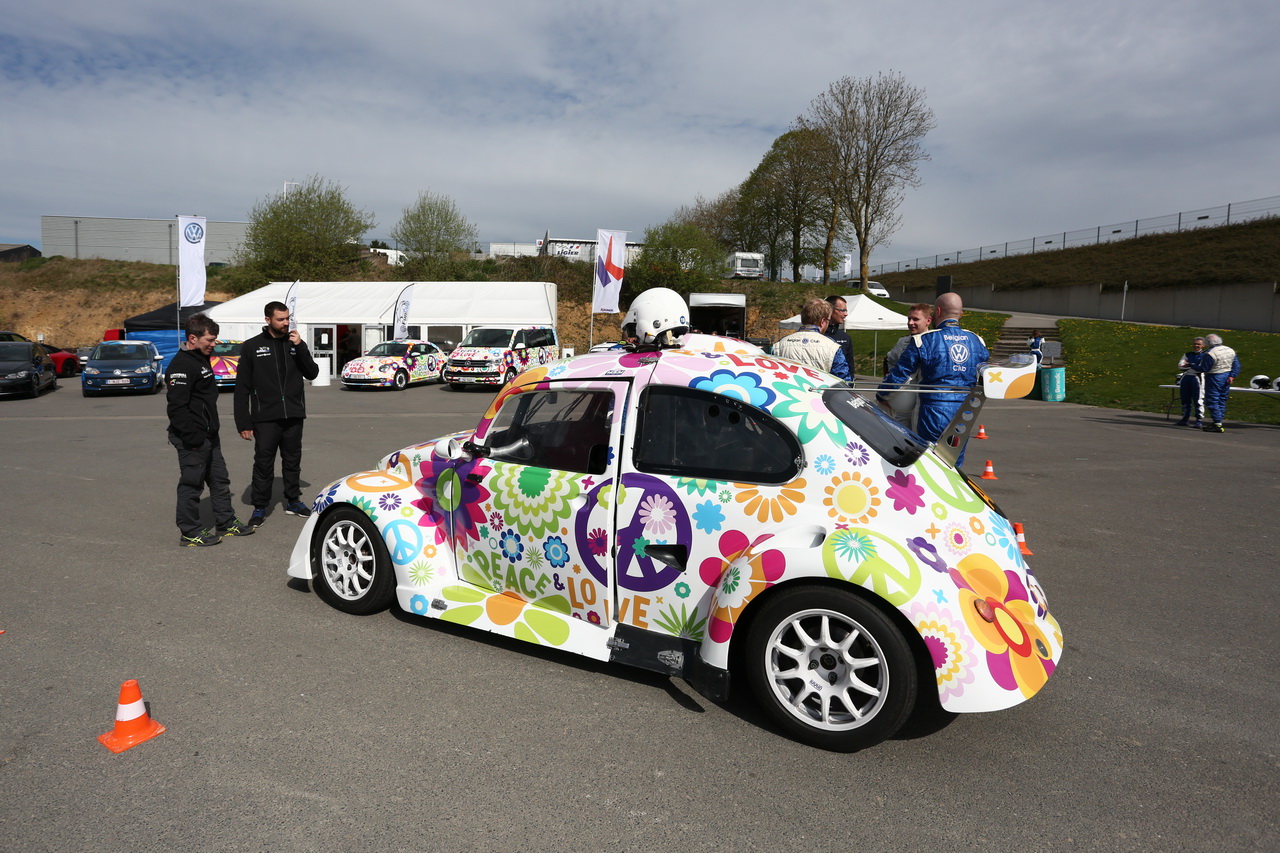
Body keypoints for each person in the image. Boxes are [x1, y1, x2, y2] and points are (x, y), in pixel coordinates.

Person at [166, 314, 254, 547]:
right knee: (192, 485)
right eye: (210, 340)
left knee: (219, 481)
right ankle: (190, 531)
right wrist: (193, 438)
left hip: (208, 436)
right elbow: (177, 408)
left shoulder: (201, 359)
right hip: (192, 439)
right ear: (193, 338)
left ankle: (226, 522)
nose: (214, 344)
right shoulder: (182, 365)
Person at [876, 292, 989, 466]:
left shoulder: (923, 340)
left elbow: (900, 375)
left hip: (932, 411)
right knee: (954, 462)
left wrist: (882, 396)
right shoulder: (977, 340)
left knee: (928, 462)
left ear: (937, 312)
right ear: (961, 313)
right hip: (965, 412)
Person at [235, 301, 321, 524]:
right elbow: (242, 387)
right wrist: (243, 422)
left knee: (292, 461)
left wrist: (300, 346)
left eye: (287, 318)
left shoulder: (294, 344)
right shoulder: (252, 346)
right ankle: (260, 507)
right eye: (280, 319)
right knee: (263, 463)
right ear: (268, 320)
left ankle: (293, 500)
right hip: (265, 417)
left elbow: (312, 373)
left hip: (293, 414)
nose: (285, 323)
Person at [880, 303, 934, 431]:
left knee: (920, 441)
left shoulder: (935, 343)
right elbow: (889, 362)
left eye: (915, 319)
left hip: (925, 403)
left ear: (928, 321)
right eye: (909, 319)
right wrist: (889, 390)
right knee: (900, 437)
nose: (910, 323)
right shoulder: (902, 342)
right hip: (902, 402)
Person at [773, 299, 852, 380]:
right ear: (822, 321)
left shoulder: (779, 345)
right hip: (819, 391)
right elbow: (843, 382)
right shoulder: (832, 347)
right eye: (828, 321)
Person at [1199, 333, 1240, 433]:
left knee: (1212, 399)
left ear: (1208, 342)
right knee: (1222, 399)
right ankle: (1218, 421)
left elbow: (1205, 368)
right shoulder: (1230, 349)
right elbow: (1236, 365)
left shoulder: (1210, 353)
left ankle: (1217, 423)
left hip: (1214, 376)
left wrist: (1192, 365)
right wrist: (1232, 376)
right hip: (1227, 376)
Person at [1175, 336, 1206, 428]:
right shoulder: (1188, 354)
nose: (1196, 345)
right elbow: (1180, 366)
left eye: (1198, 344)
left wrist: (1190, 364)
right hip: (1186, 377)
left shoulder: (1205, 355)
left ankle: (1199, 420)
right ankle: (1185, 418)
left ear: (1203, 345)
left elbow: (1201, 368)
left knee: (1198, 399)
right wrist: (1193, 366)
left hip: (1198, 378)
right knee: (1185, 399)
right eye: (1195, 344)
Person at [824, 295, 854, 370]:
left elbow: (850, 367)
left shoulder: (845, 338)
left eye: (846, 310)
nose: (846, 314)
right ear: (830, 310)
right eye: (842, 310)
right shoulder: (817, 334)